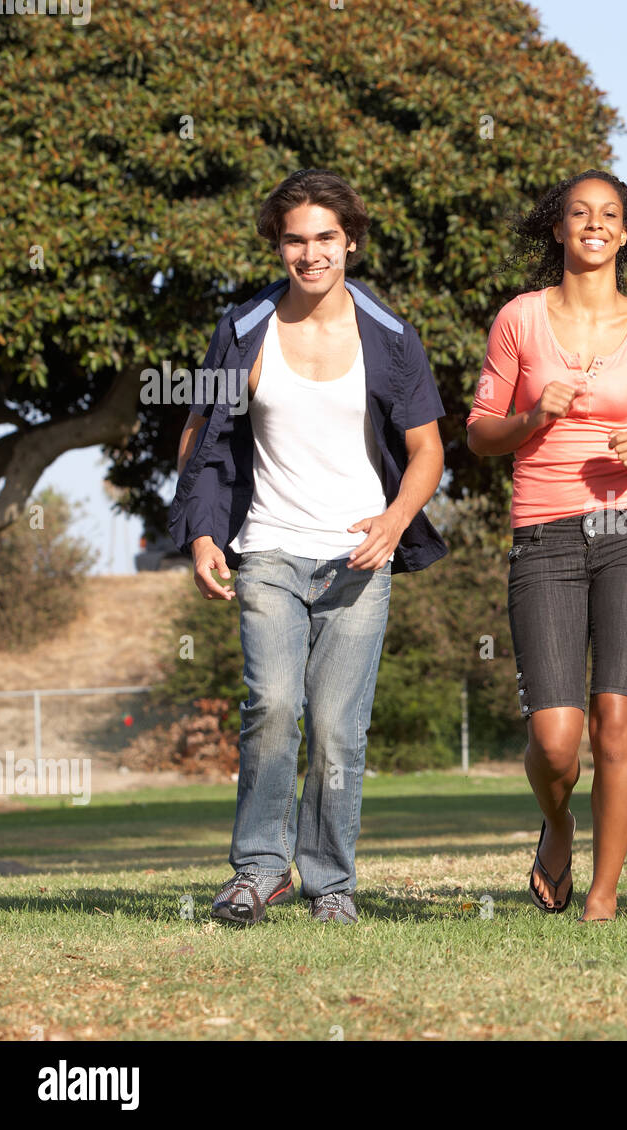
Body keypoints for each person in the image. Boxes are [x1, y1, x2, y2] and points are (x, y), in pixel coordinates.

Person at [168, 169, 446, 926]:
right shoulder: (243, 329)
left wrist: (393, 523)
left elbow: (427, 451)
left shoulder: (390, 337)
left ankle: (331, 884)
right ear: (279, 247)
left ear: (350, 241)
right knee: (273, 706)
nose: (312, 253)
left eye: (326, 237)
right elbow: (201, 434)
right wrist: (200, 532)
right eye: (296, 239)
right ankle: (258, 870)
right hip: (268, 550)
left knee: (335, 730)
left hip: (358, 559)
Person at [466, 170, 627, 922]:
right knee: (558, 741)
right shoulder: (520, 320)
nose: (594, 225)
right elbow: (478, 433)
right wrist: (533, 414)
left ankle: (603, 896)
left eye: (609, 215)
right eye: (579, 214)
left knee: (617, 724)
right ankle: (557, 823)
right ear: (559, 228)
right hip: (543, 531)